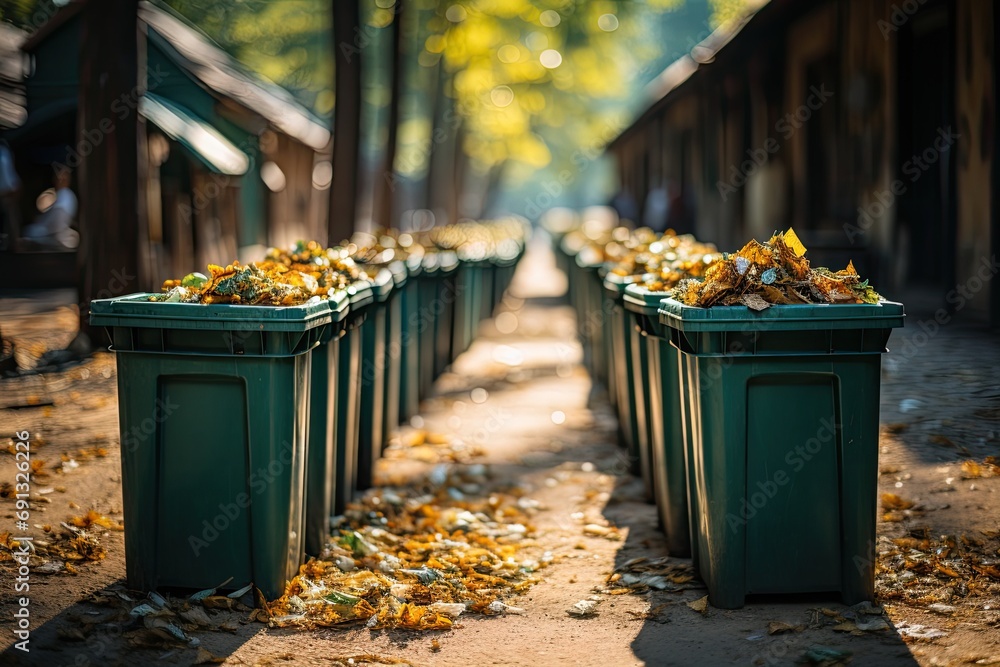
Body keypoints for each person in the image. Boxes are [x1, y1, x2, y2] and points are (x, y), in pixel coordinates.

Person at [22, 166, 79, 250]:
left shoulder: (65, 194)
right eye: (58, 177)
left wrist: (45, 226)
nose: (60, 180)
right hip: (52, 231)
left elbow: (58, 220)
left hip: (56, 234)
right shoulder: (58, 194)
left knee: (29, 232)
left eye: (63, 178)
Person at [0, 139, 21, 250]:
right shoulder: (4, 154)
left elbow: (9, 177)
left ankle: (14, 242)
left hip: (8, 190)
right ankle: (14, 242)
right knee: (11, 211)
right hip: (7, 190)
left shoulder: (4, 153)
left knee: (11, 211)